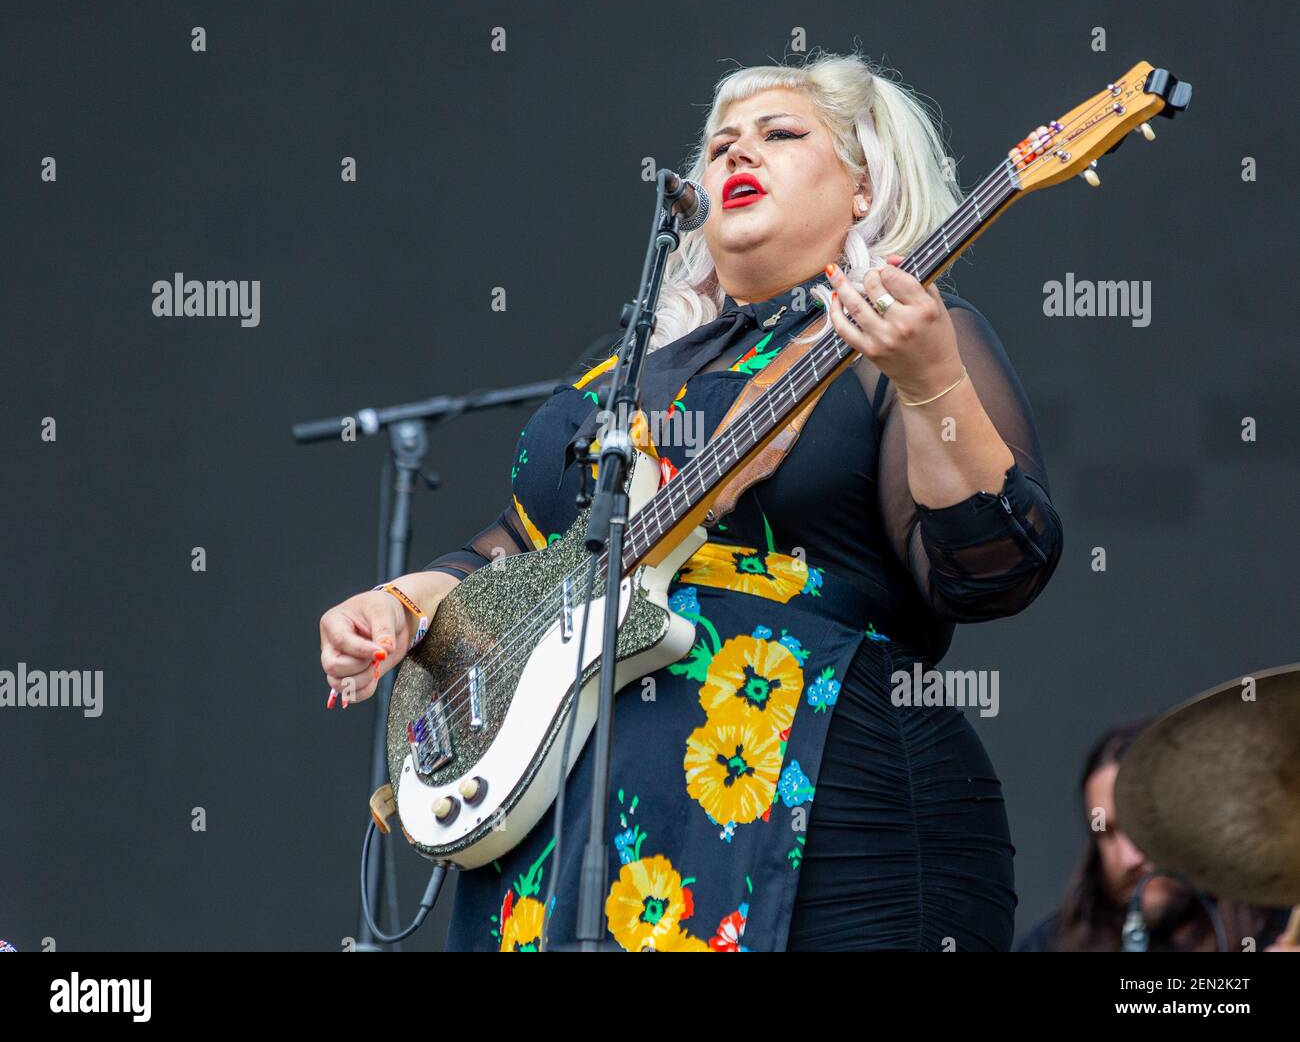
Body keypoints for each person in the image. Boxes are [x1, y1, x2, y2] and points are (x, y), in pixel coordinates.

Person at [319, 50, 1064, 951]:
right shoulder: (618, 369)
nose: (737, 155)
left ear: (864, 188)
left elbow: (991, 570)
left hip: (814, 798)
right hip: (560, 820)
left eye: (779, 135)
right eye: (719, 147)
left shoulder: (901, 339)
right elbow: (520, 554)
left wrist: (930, 377)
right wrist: (400, 605)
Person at [1016, 721, 1296, 952]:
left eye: (1138, 825)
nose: (1128, 858)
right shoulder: (1050, 945)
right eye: (1105, 831)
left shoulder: (1277, 927)